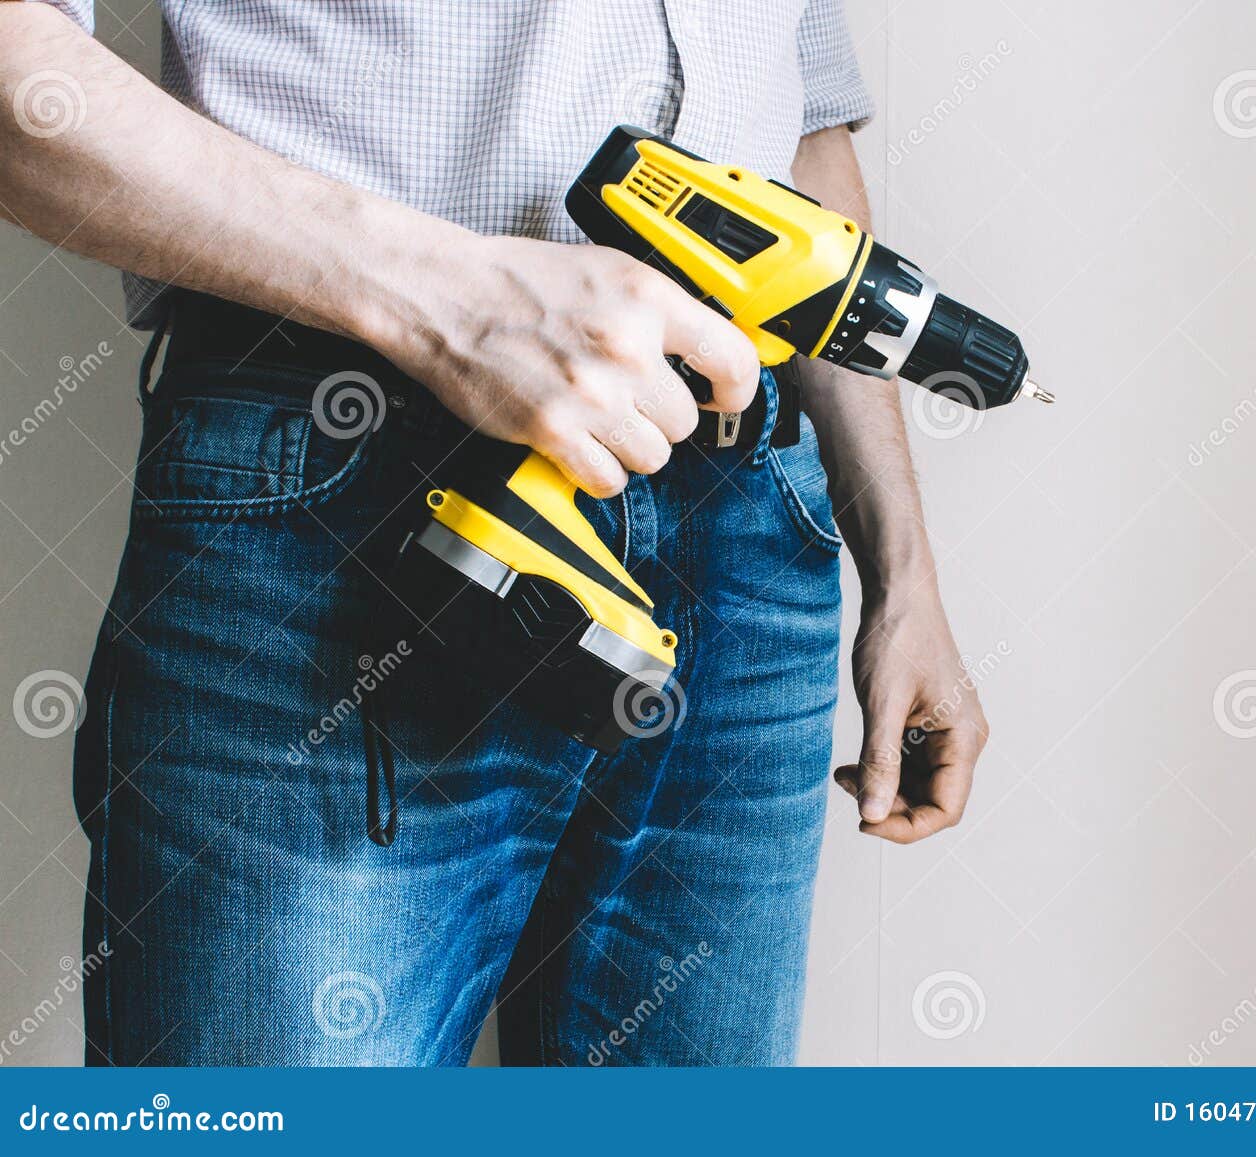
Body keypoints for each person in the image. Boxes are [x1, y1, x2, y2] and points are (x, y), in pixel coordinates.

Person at [0, 0, 988, 1065]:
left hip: (750, 543)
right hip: (350, 490)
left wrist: (904, 573)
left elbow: (801, 138)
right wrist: (451, 301)